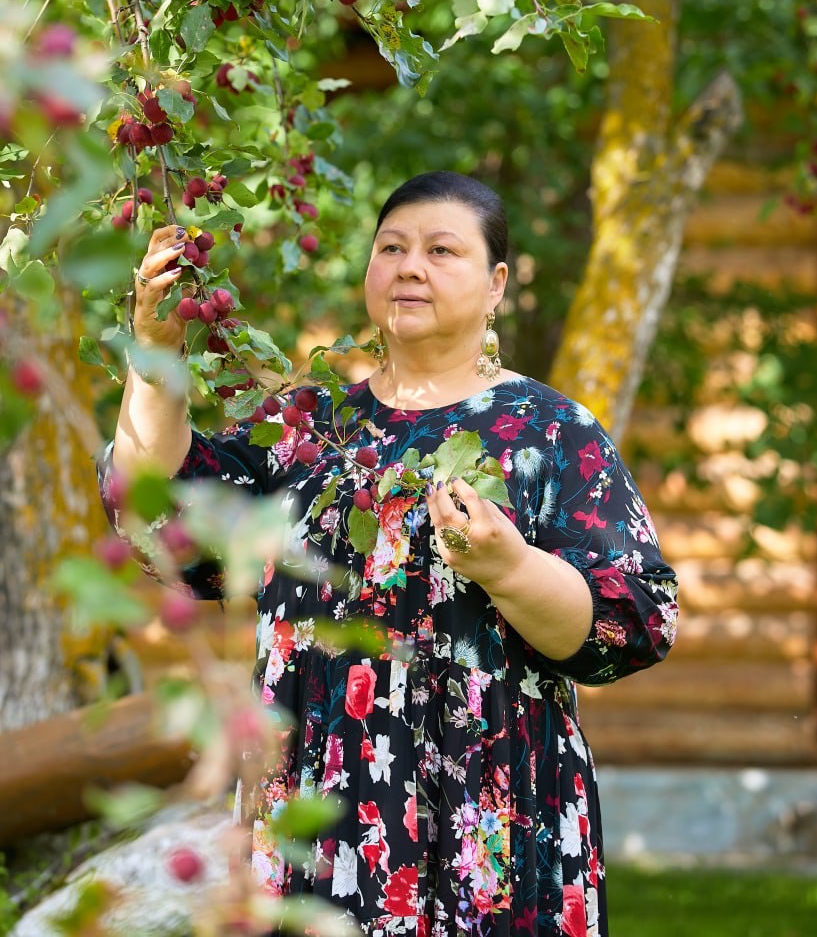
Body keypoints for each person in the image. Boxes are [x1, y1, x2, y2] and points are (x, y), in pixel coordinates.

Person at [99, 170, 678, 937]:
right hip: (313, 807)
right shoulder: (308, 430)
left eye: (442, 250)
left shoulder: (547, 431)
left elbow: (633, 621)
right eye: (392, 247)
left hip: (488, 817)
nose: (410, 266)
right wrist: (156, 356)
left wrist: (510, 569)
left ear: (496, 282)